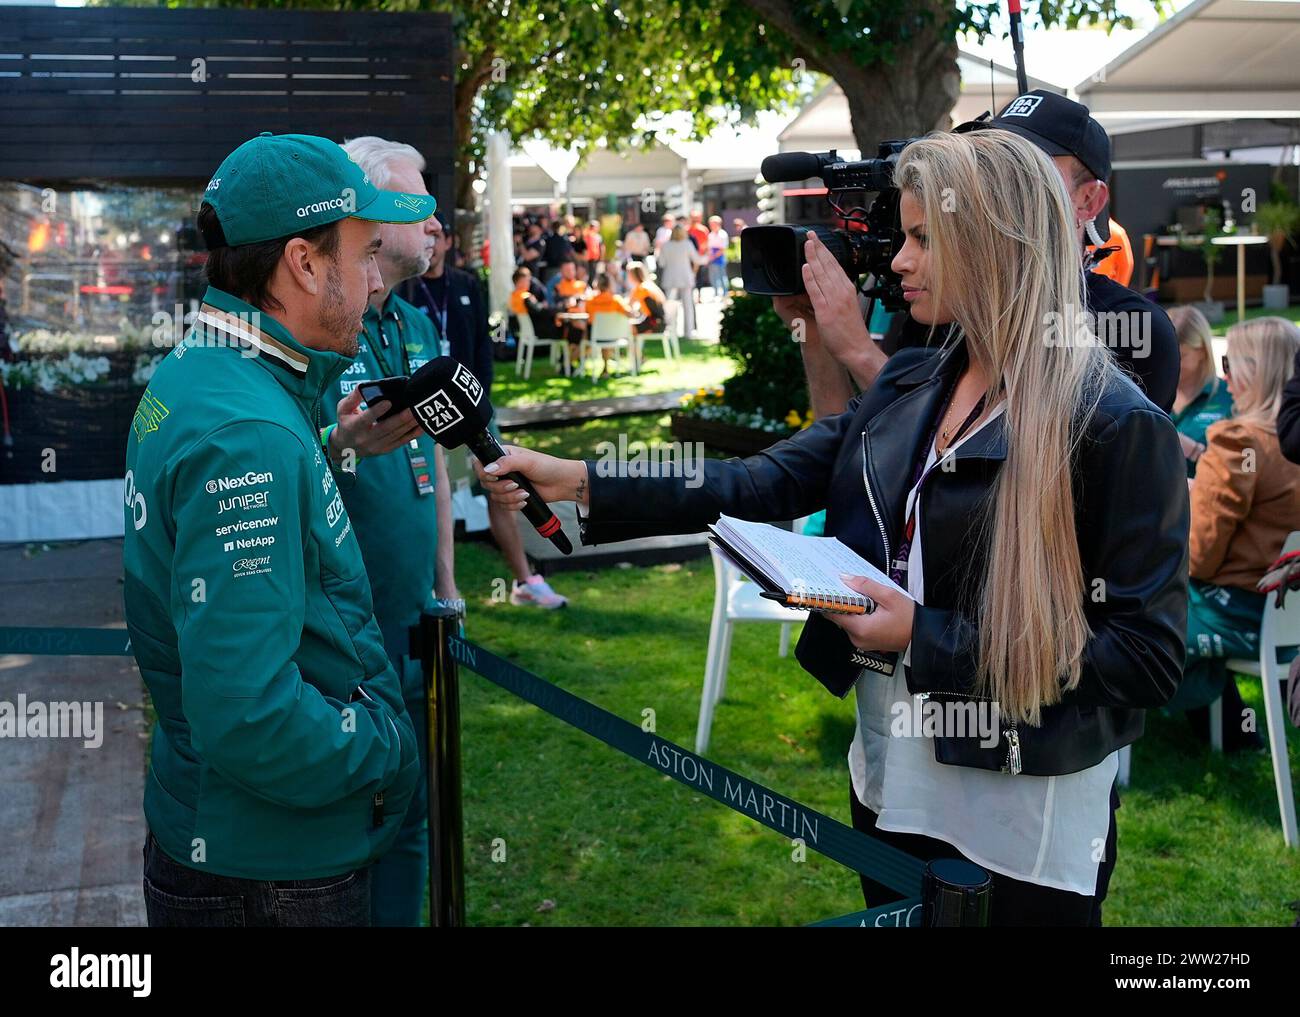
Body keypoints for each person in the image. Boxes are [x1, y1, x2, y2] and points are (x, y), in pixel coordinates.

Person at [474, 129, 1188, 927]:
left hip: (1021, 811)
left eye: (922, 238)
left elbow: (1147, 657)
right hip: (890, 776)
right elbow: (757, 480)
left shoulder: (1116, 424)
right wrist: (578, 479)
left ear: (992, 244)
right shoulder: (914, 380)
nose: (900, 263)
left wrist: (923, 632)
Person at [123, 132, 429, 926]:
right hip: (272, 867)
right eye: (363, 256)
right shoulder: (246, 431)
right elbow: (249, 713)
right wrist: (388, 751)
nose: (374, 284)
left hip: (238, 840)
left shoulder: (217, 369)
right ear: (302, 262)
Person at [783, 89, 1179, 419]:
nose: (1001, 180)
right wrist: (816, 335)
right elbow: (853, 458)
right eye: (990, 162)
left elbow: (985, 465)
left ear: (1089, 200)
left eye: (1028, 166)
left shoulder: (1131, 326)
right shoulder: (943, 303)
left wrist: (861, 355)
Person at [311, 137, 457, 926]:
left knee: (412, 820)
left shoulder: (412, 322)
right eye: (415, 199)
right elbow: (290, 461)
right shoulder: (323, 330)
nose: (434, 218)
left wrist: (447, 584)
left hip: (415, 628)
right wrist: (335, 445)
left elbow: (431, 464)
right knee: (351, 832)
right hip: (342, 642)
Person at [413, 224, 568, 610]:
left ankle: (525, 580)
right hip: (432, 417)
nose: (431, 245)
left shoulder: (465, 285)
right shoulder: (405, 291)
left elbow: (483, 344)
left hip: (475, 411)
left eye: (438, 237)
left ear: (449, 242)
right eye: (424, 237)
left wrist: (482, 395)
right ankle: (441, 590)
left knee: (505, 487)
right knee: (438, 496)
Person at [1173, 317, 1300, 748]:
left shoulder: (1239, 440)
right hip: (1287, 618)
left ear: (1253, 374)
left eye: (1231, 364)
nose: (1225, 377)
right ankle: (1231, 730)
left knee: (1124, 607)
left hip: (1238, 614)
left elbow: (1199, 556)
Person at [1168, 305, 1233, 477]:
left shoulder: (1230, 397)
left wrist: (1196, 452)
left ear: (1202, 351)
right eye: (1166, 354)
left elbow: (1246, 467)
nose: (1170, 364)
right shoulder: (1149, 395)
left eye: (1180, 356)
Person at [657, 225, 704, 339]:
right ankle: (688, 332)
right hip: (685, 278)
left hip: (670, 278)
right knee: (688, 306)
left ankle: (671, 331)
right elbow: (697, 259)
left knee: (670, 306)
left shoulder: (666, 246)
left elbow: (661, 263)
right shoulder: (687, 244)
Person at [626, 262, 666, 335]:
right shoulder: (649, 285)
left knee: (628, 328)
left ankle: (634, 346)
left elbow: (628, 306)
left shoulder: (641, 289)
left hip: (654, 323)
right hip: (661, 322)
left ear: (632, 275)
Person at [705, 215, 729, 298]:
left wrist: (714, 256)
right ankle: (716, 293)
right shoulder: (710, 235)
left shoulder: (723, 234)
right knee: (713, 276)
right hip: (712, 257)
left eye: (713, 224)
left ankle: (725, 293)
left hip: (720, 257)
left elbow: (723, 248)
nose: (711, 226)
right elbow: (708, 247)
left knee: (722, 276)